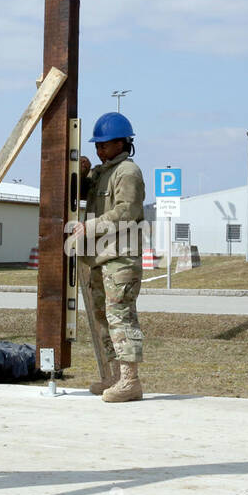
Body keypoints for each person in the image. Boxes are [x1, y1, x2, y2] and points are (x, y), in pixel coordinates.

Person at [76, 111, 146, 403]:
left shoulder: (127, 172)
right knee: (103, 318)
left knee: (121, 317)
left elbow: (126, 212)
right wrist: (79, 174)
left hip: (121, 258)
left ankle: (130, 380)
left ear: (122, 143)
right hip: (101, 258)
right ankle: (114, 377)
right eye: (97, 144)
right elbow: (80, 197)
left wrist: (88, 227)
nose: (98, 149)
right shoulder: (101, 172)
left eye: (104, 144)